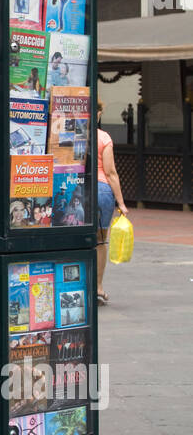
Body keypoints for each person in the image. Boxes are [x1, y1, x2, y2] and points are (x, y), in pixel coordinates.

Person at [96, 100, 127, 304]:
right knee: (99, 241)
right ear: (98, 114)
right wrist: (121, 203)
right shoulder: (103, 137)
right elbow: (111, 172)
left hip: (74, 187)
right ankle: (98, 287)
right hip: (101, 190)